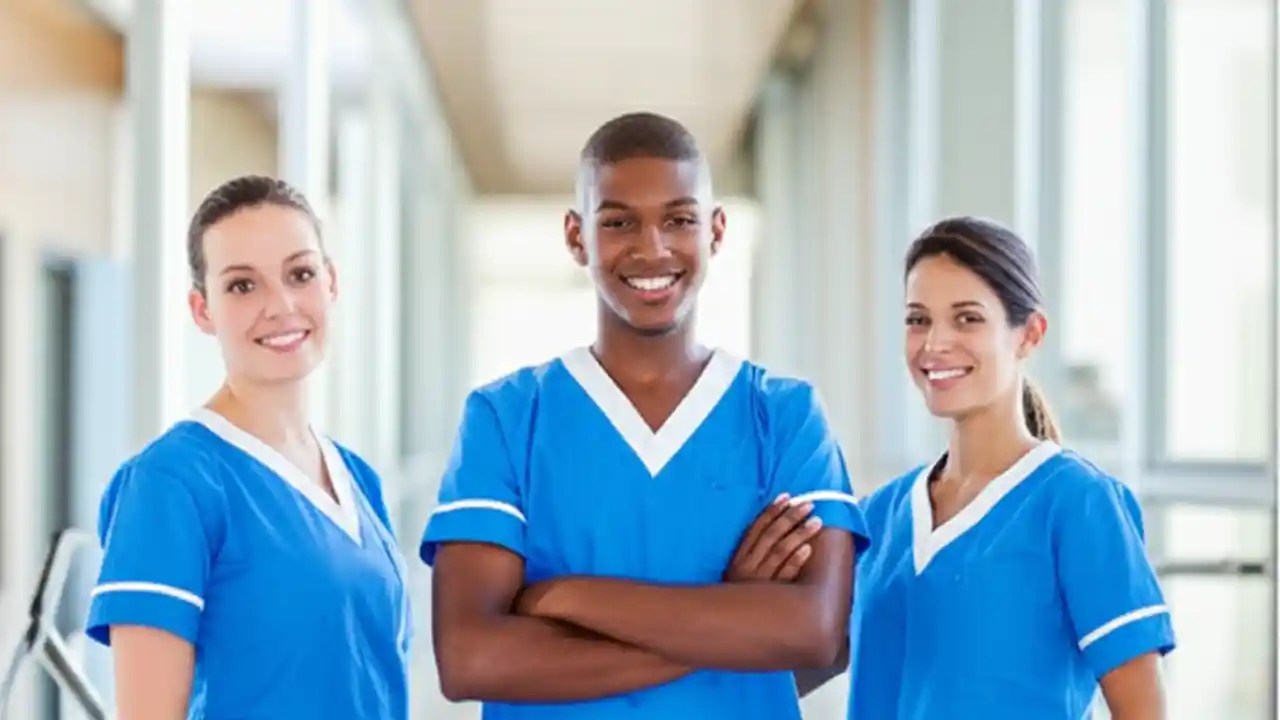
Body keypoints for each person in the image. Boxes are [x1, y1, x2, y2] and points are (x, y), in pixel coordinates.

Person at [420, 111, 871, 719]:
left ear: (715, 231)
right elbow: (472, 660)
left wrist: (566, 597)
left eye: (679, 220)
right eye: (619, 222)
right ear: (577, 237)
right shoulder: (507, 418)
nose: (652, 247)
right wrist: (727, 613)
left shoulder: (784, 416)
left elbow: (815, 633)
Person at [85, 176, 411, 719]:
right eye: (242, 285)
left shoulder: (357, 478)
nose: (280, 305)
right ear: (202, 310)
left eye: (300, 274)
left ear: (330, 283)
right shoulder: (171, 482)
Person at [842, 216, 1175, 719]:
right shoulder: (879, 517)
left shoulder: (1077, 502)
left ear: (1029, 335)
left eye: (967, 318)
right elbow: (799, 662)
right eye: (918, 319)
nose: (934, 343)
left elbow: (1143, 711)